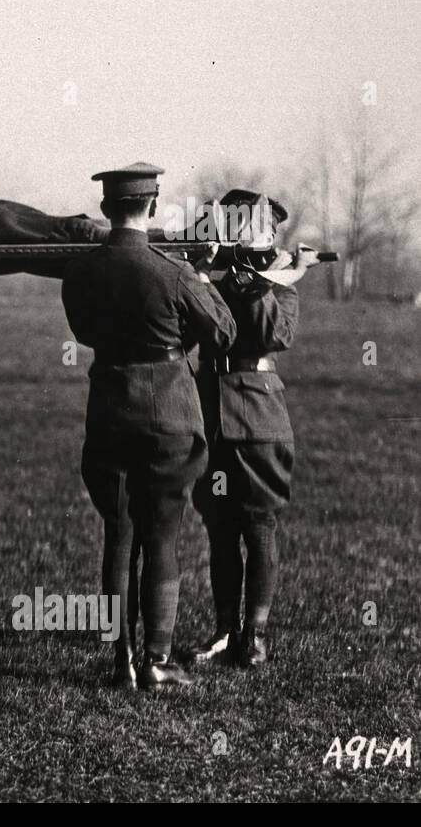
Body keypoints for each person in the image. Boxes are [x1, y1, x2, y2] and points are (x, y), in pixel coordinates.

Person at [61, 163, 236, 689]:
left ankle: (122, 661)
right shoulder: (174, 272)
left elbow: (86, 329)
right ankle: (157, 659)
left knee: (118, 536)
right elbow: (223, 334)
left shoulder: (81, 272)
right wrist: (201, 278)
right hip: (169, 417)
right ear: (153, 207)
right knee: (162, 538)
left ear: (106, 209)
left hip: (109, 410)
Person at [189, 190, 318, 667]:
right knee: (219, 528)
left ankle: (255, 635)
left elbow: (273, 335)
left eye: (253, 227)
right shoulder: (214, 279)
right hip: (211, 417)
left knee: (259, 525)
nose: (241, 233)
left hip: (259, 417)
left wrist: (259, 280)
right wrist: (206, 274)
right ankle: (225, 630)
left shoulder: (280, 285)